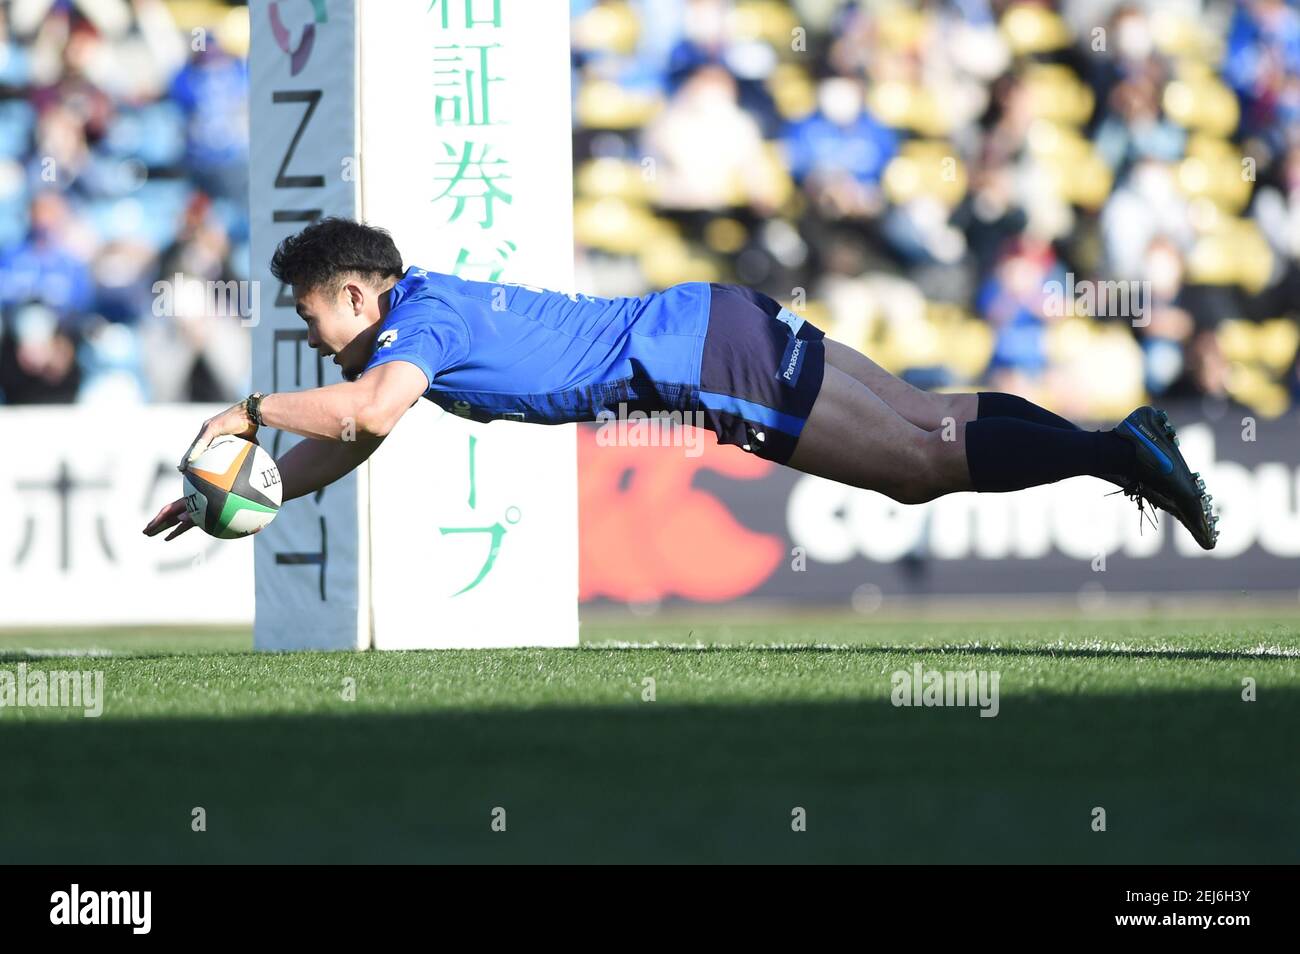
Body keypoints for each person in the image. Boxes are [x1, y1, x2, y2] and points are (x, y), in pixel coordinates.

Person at [143, 217, 1218, 549]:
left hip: (703, 357)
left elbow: (368, 409)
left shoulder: (413, 322)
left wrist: (241, 414)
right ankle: (1117, 443)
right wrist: (251, 484)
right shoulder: (419, 315)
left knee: (915, 468)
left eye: (313, 313)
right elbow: (359, 435)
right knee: (932, 419)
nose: (312, 335)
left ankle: (1113, 452)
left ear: (356, 291)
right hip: (711, 320)